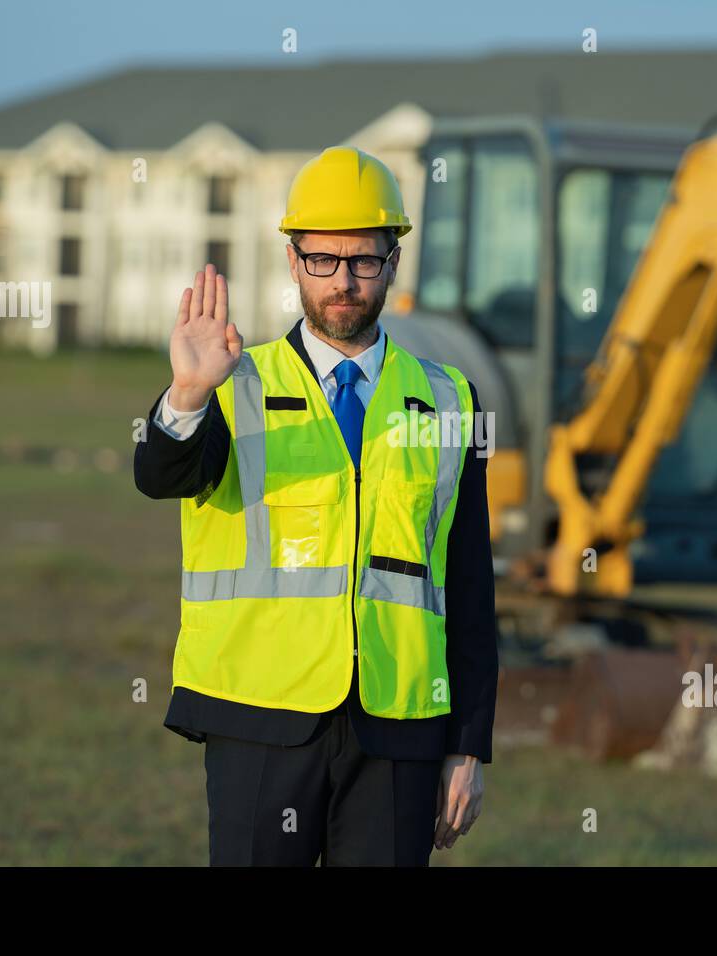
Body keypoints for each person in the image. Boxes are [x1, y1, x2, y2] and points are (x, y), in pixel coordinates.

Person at [133, 146, 499, 866]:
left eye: (363, 261)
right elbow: (160, 473)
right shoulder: (233, 384)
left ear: (394, 262)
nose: (344, 282)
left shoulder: (449, 399)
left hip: (399, 729)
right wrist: (186, 395)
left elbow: (470, 584)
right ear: (295, 261)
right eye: (323, 261)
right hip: (259, 721)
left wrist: (468, 744)